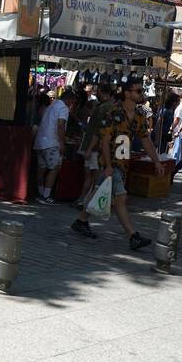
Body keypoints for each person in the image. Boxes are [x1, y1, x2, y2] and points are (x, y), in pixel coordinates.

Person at [70, 79, 165, 248]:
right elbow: (104, 141)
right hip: (111, 161)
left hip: (122, 162)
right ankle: (133, 236)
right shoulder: (114, 112)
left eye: (142, 91)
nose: (141, 94)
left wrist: (156, 161)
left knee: (99, 189)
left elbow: (145, 140)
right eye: (138, 91)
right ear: (127, 93)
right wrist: (107, 165)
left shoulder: (139, 115)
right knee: (121, 197)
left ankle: (81, 220)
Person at [75, 83, 116, 209]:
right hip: (95, 147)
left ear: (101, 92)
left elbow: (98, 131)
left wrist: (89, 148)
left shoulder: (104, 108)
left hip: (95, 148)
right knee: (92, 177)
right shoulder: (107, 106)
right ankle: (84, 200)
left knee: (93, 177)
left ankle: (84, 201)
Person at [35, 87, 74, 204]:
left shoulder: (51, 106)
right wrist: (62, 143)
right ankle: (46, 196)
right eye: (72, 102)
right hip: (52, 142)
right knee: (54, 168)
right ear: (69, 101)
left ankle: (41, 192)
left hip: (40, 141)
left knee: (41, 168)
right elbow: (61, 125)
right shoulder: (63, 108)